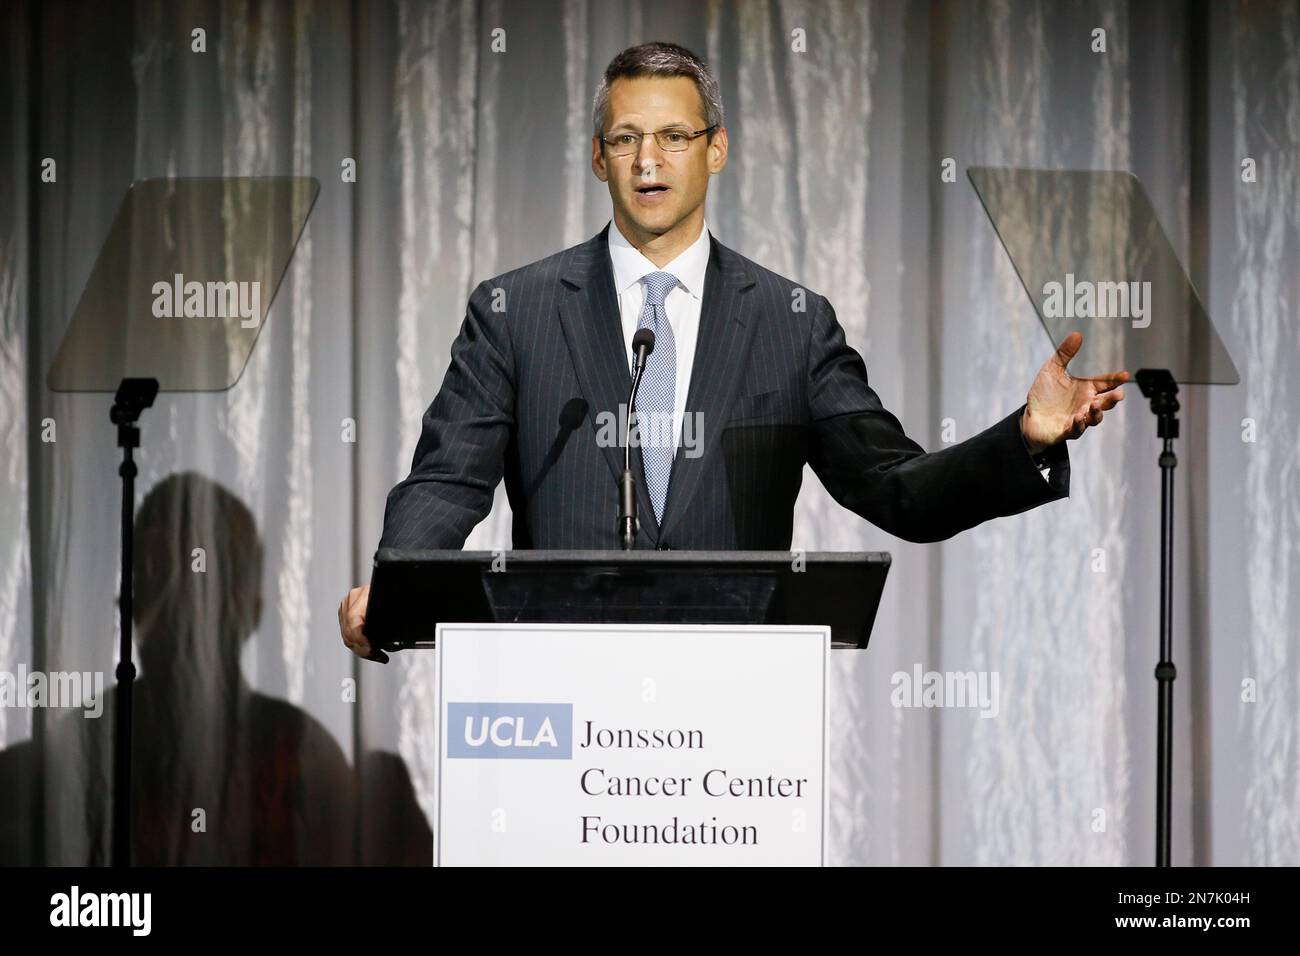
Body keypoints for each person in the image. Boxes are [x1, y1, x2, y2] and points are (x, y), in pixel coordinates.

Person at [339, 41, 1127, 660]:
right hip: (562, 685)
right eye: (626, 138)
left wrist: (1022, 436)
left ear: (716, 149)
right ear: (597, 157)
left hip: (734, 711)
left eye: (674, 136)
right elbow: (446, 481)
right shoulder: (516, 312)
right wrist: (395, 588)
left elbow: (898, 490)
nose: (649, 161)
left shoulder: (791, 323)